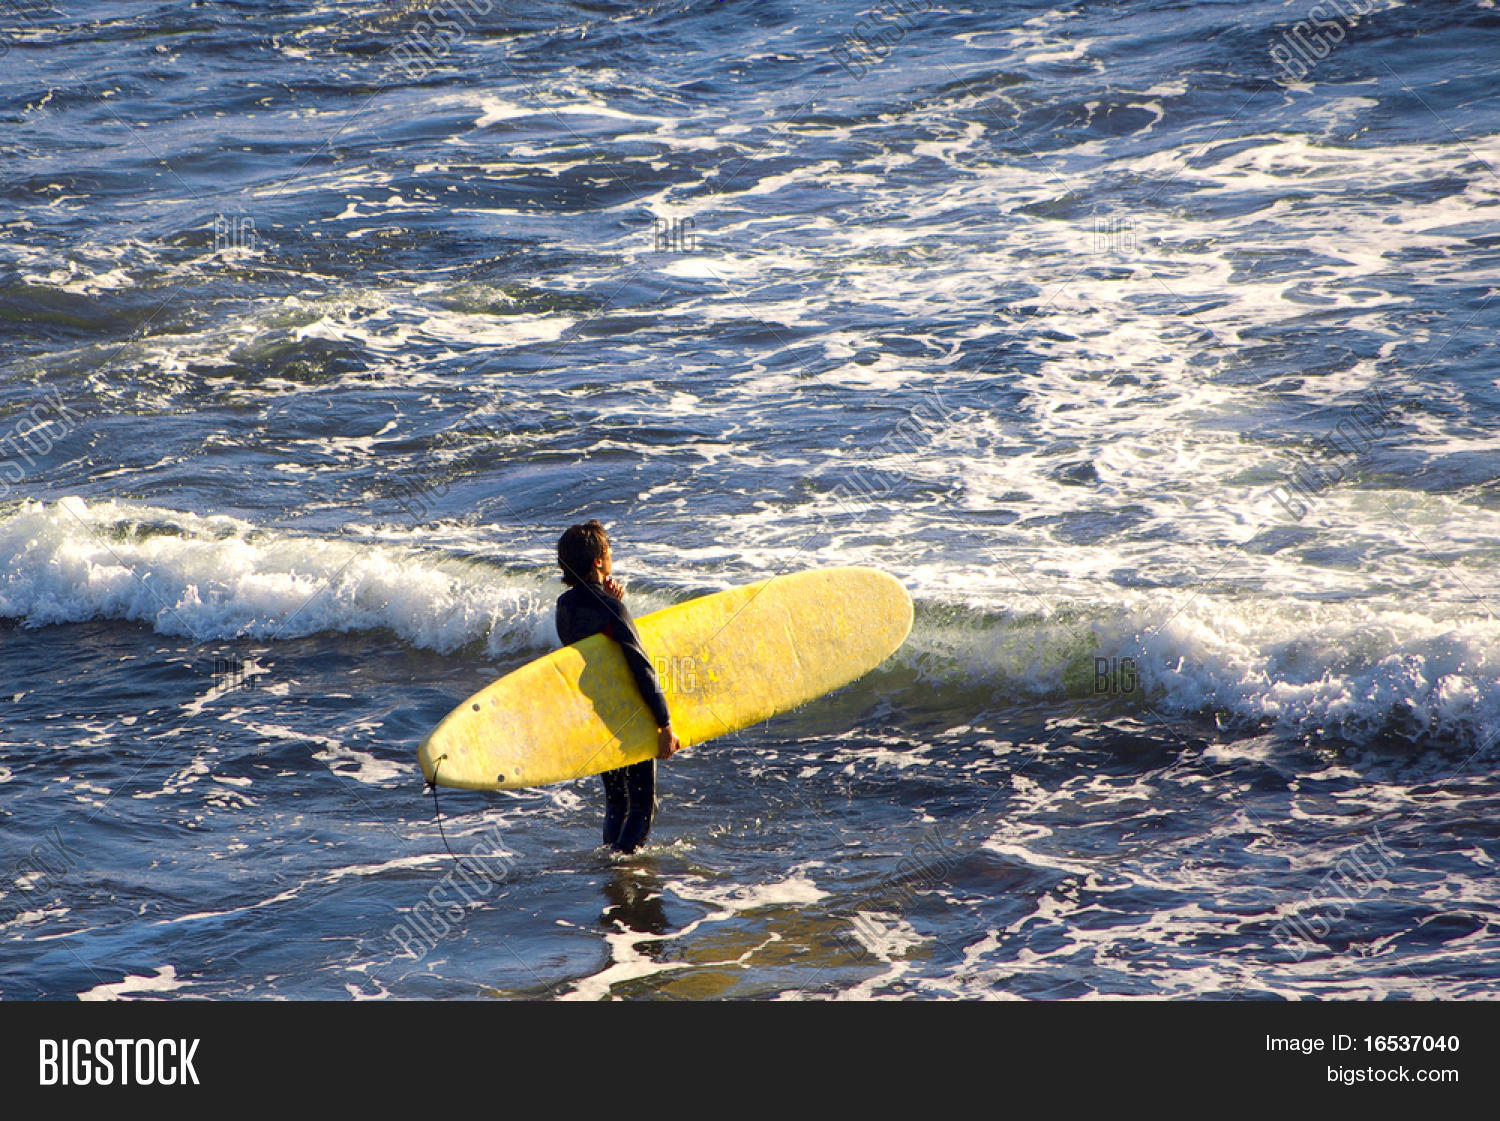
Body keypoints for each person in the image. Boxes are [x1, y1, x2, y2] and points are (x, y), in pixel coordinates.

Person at [555, 520, 680, 853]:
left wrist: (609, 602)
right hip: (630, 711)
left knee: (616, 798)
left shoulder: (564, 607)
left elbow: (597, 647)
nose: (611, 557)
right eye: (608, 552)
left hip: (598, 711)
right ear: (598, 562)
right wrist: (664, 723)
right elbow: (640, 666)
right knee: (641, 804)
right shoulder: (612, 608)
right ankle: (623, 869)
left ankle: (612, 859)